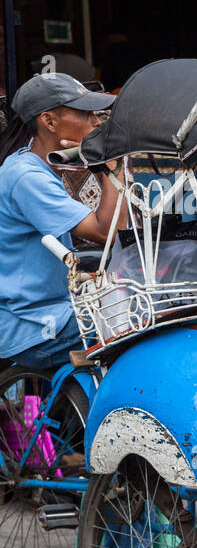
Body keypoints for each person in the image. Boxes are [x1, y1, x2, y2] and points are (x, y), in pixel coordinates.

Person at [0, 72, 120, 370]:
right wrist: (112, 169)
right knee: (138, 327)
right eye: (85, 113)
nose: (95, 122)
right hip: (31, 325)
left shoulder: (39, 165)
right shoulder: (27, 176)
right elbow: (106, 232)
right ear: (49, 122)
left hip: (56, 311)